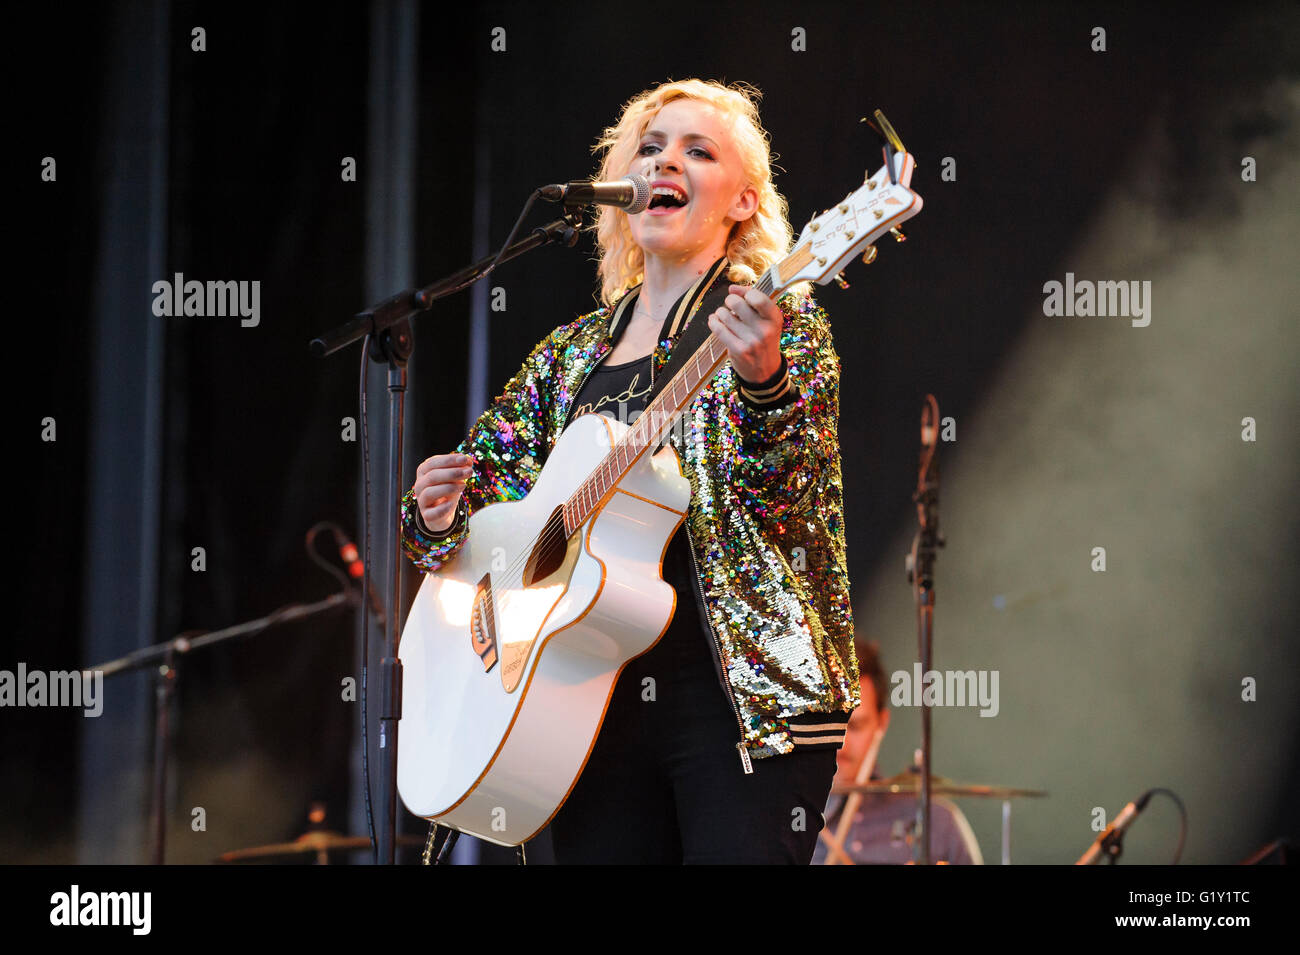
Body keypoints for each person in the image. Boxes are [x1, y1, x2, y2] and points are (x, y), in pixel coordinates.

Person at [400, 78, 858, 864]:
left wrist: (765, 382)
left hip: (739, 703)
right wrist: (436, 514)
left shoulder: (780, 322)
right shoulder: (570, 354)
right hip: (580, 702)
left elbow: (795, 501)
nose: (664, 160)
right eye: (649, 148)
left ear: (743, 201)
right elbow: (483, 512)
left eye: (696, 150)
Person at [813, 641, 983, 864]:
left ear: (881, 723)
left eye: (855, 726)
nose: (841, 744)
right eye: (827, 728)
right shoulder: (777, 821)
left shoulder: (936, 824)